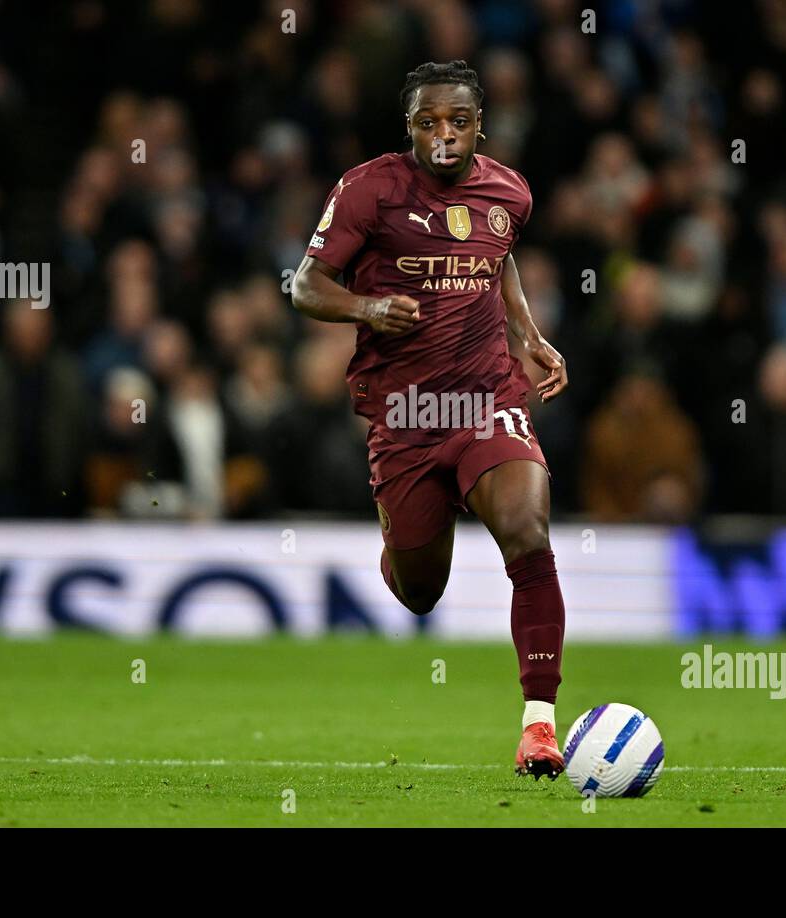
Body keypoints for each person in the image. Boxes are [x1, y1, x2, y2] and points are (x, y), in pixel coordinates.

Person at [291, 61, 570, 780]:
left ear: (481, 125)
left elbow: (497, 258)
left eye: (457, 122)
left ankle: (539, 725)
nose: (443, 136)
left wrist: (527, 337)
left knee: (528, 535)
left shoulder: (510, 192)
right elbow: (306, 285)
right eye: (427, 123)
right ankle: (407, 531)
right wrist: (366, 308)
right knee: (421, 592)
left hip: (487, 399)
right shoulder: (368, 190)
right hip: (407, 415)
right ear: (407, 127)